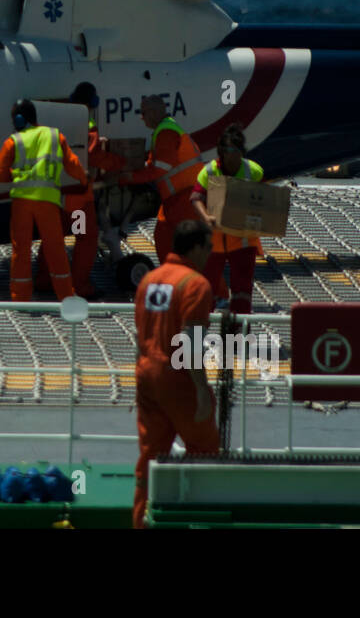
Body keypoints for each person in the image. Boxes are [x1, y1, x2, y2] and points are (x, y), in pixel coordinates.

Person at [132, 219, 219, 528]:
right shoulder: (196, 284)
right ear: (195, 248)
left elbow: (141, 332)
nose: (211, 253)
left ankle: (141, 522)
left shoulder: (149, 280)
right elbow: (190, 342)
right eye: (208, 247)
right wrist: (201, 391)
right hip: (177, 378)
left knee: (150, 459)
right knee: (204, 449)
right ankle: (197, 521)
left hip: (146, 374)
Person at [36, 82, 125, 299]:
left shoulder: (57, 118)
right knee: (85, 237)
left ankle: (44, 280)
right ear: (93, 103)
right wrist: (118, 162)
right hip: (77, 199)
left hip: (55, 192)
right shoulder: (87, 121)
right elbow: (92, 155)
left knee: (54, 237)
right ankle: (79, 286)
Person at [0, 99, 87, 301]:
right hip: (47, 202)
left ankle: (20, 297)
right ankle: (66, 296)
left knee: (21, 250)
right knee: (55, 249)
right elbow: (72, 164)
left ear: (18, 119)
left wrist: (17, 176)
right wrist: (84, 178)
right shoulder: (54, 136)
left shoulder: (13, 141)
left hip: (22, 203)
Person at [191, 123, 265, 316]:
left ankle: (237, 339)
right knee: (206, 291)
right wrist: (206, 217)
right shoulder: (208, 171)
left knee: (242, 294)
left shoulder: (254, 171)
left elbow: (264, 201)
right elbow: (195, 197)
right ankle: (198, 336)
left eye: (235, 149)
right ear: (221, 151)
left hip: (243, 242)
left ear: (242, 151)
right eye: (227, 150)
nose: (231, 154)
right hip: (214, 243)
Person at [122, 95, 204, 263]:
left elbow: (159, 169)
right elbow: (156, 164)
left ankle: (188, 280)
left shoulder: (166, 132)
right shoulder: (165, 130)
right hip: (178, 199)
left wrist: (128, 177)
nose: (141, 117)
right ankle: (174, 276)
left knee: (184, 246)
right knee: (164, 237)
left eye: (142, 112)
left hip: (185, 198)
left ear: (152, 112)